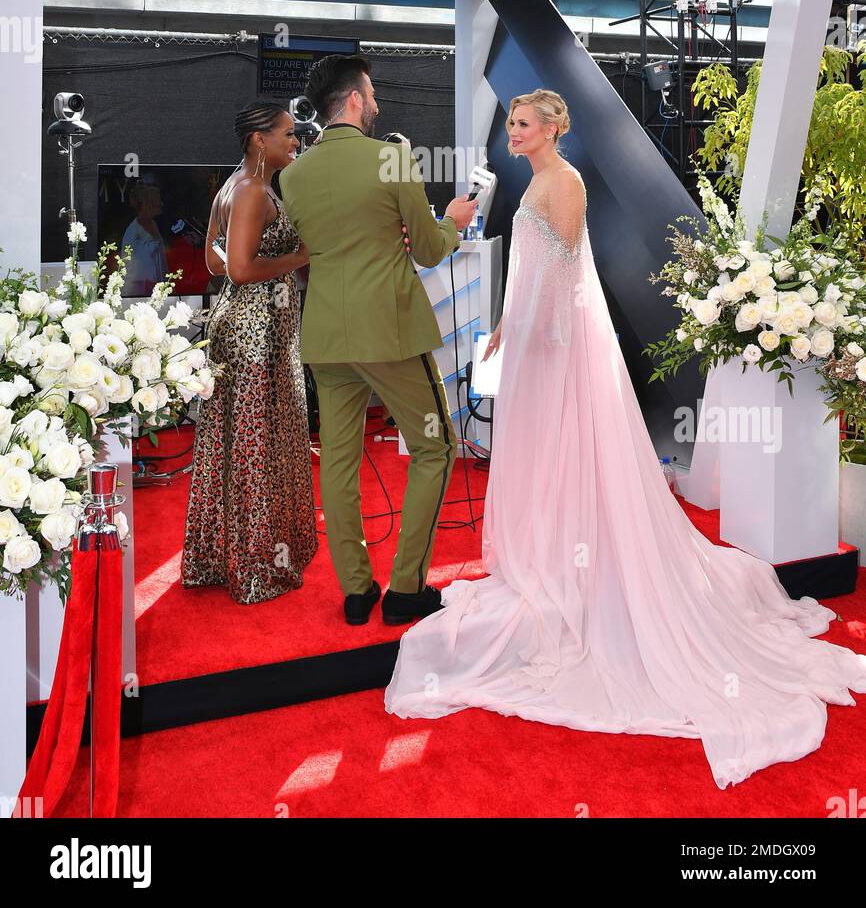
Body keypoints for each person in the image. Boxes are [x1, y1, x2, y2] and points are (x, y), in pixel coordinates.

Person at [384, 87, 866, 789]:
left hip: (562, 345)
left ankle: (577, 561)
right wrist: (505, 328)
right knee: (549, 455)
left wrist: (540, 336)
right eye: (512, 124)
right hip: (536, 342)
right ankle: (549, 553)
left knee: (572, 452)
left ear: (552, 127)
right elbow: (533, 272)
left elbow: (571, 274)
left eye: (522, 124)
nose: (512, 133)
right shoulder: (538, 181)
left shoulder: (567, 181)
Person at [279, 55, 476, 626]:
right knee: (434, 446)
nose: (380, 104)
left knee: (339, 462)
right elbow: (428, 250)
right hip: (388, 330)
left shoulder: (293, 175)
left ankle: (357, 590)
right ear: (357, 100)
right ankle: (407, 587)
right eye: (374, 94)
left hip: (325, 336)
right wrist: (454, 221)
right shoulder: (391, 158)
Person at [182, 101, 318, 605]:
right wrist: (301, 256)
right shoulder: (255, 190)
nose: (295, 143)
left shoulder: (230, 187)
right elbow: (239, 268)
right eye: (287, 134)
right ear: (259, 139)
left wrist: (263, 263)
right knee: (258, 445)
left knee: (234, 442)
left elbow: (212, 261)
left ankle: (222, 556)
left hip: (235, 324)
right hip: (257, 331)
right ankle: (258, 565)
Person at [121, 178, 168, 297]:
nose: (161, 203)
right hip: (141, 293)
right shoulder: (133, 232)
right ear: (148, 203)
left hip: (158, 291)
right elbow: (132, 270)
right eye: (158, 200)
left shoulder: (153, 224)